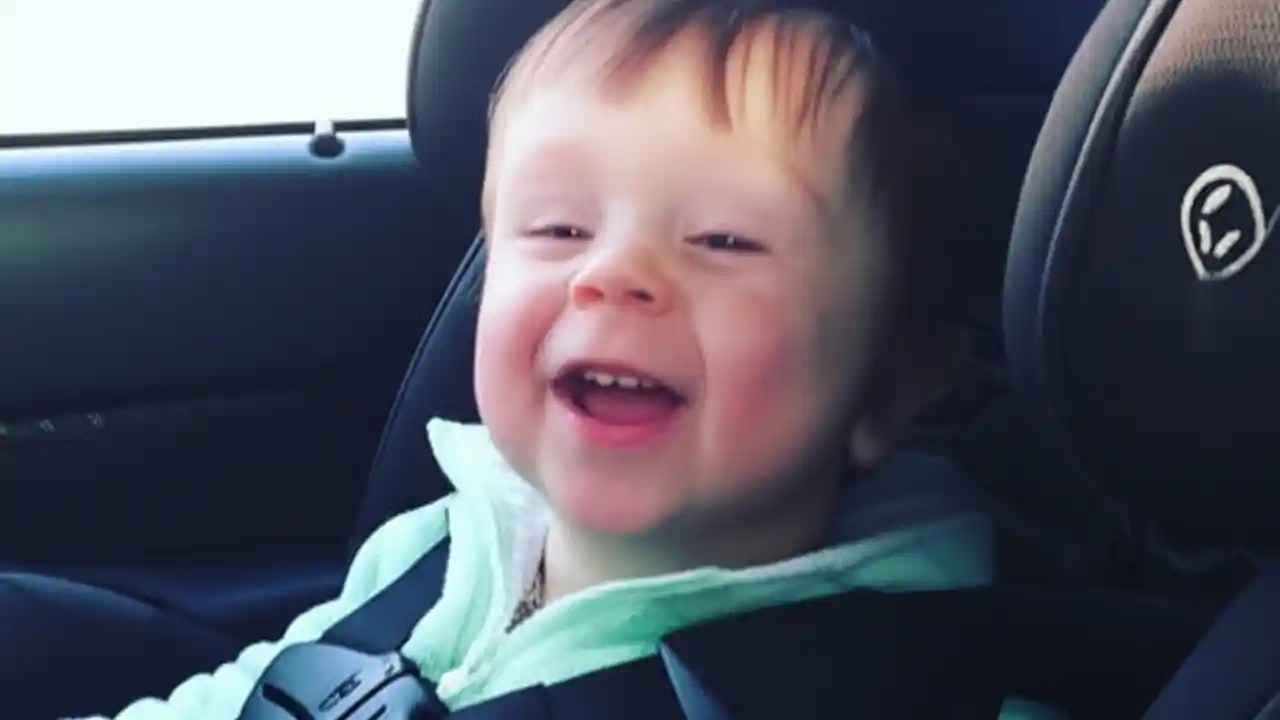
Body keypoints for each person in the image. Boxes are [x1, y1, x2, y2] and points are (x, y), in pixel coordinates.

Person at [86, 1, 1061, 717]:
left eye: (724, 239)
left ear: (890, 385)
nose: (612, 271)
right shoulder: (434, 551)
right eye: (556, 226)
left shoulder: (898, 688)